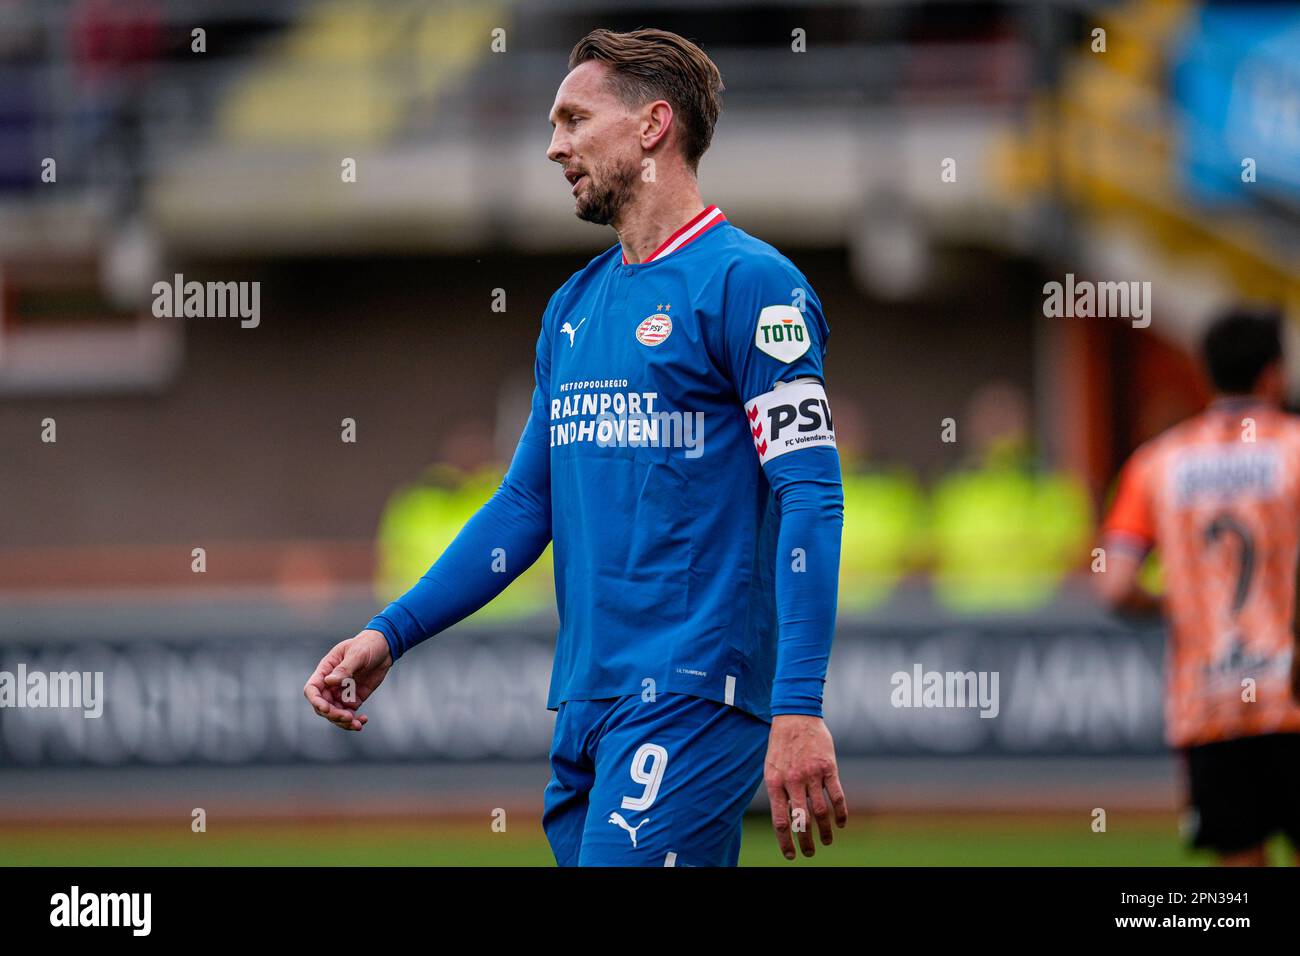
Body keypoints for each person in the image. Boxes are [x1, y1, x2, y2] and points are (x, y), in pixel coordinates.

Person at [304, 28, 846, 866]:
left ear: (652, 126)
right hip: (588, 703)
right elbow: (527, 503)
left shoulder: (753, 286)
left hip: (696, 693)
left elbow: (812, 494)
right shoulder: (572, 307)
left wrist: (799, 704)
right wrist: (391, 633)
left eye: (573, 119)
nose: (553, 145)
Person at [1097, 307, 1300, 866]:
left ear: (1207, 374)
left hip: (1211, 705)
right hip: (1293, 694)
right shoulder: (1294, 448)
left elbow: (1114, 585)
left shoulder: (1158, 462)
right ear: (1274, 374)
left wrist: (1182, 597)